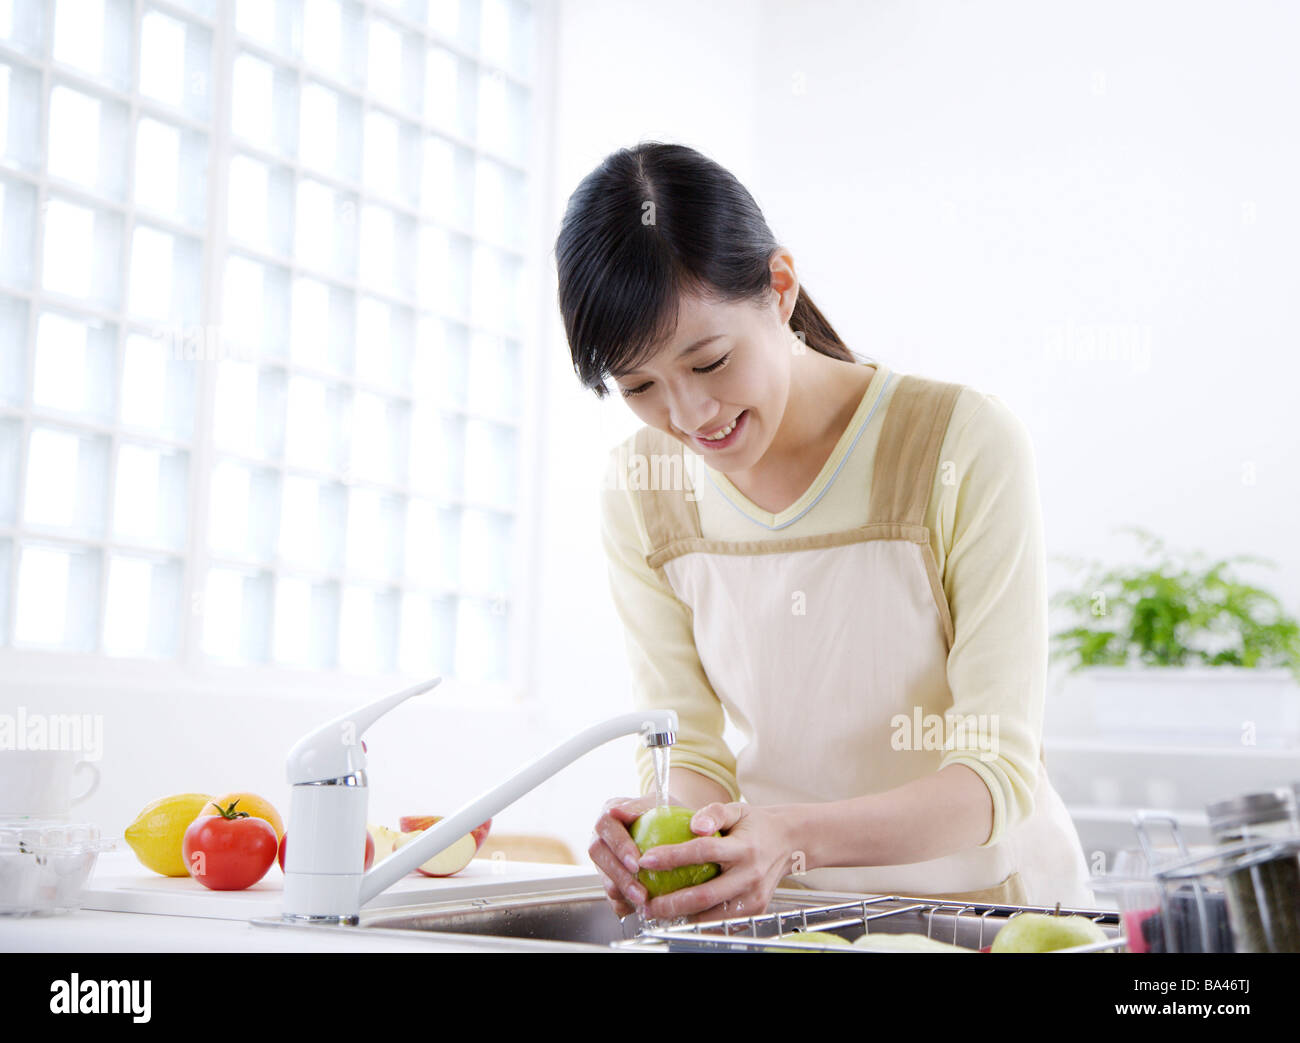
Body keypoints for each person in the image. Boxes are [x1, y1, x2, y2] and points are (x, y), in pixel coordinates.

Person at [554, 141, 1095, 924]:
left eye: (708, 361)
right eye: (639, 386)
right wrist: (668, 838)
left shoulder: (959, 444)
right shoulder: (644, 489)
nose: (688, 416)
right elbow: (693, 753)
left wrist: (791, 836)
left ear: (779, 288)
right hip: (802, 924)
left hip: (995, 917)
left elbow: (996, 771)